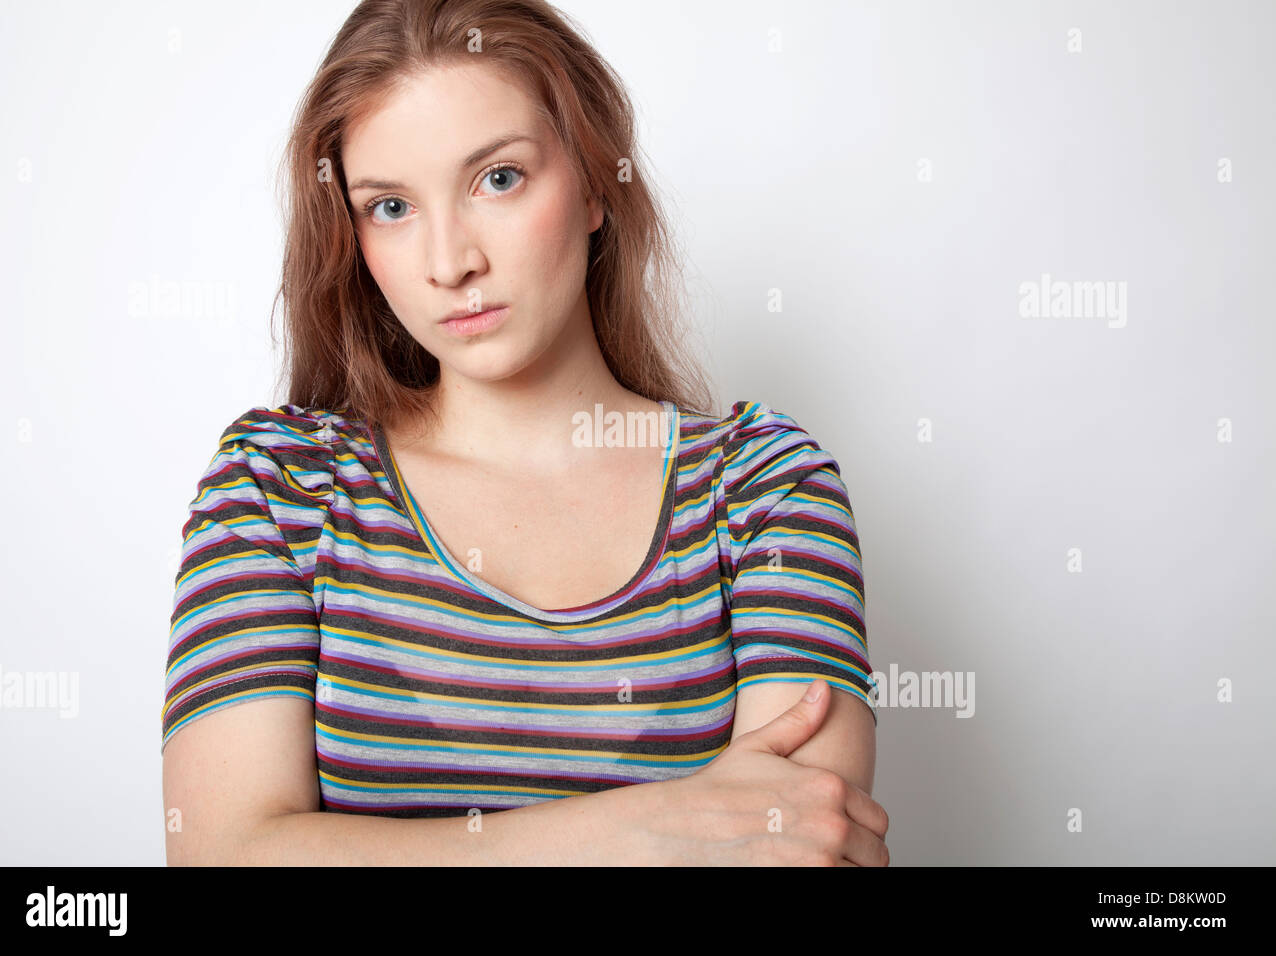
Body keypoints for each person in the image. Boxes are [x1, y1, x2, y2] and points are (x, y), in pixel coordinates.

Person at [161, 0, 888, 866]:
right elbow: (221, 854)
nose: (449, 261)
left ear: (592, 182)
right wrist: (650, 831)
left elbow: (799, 843)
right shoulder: (278, 488)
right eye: (390, 206)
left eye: (497, 178)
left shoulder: (764, 488)